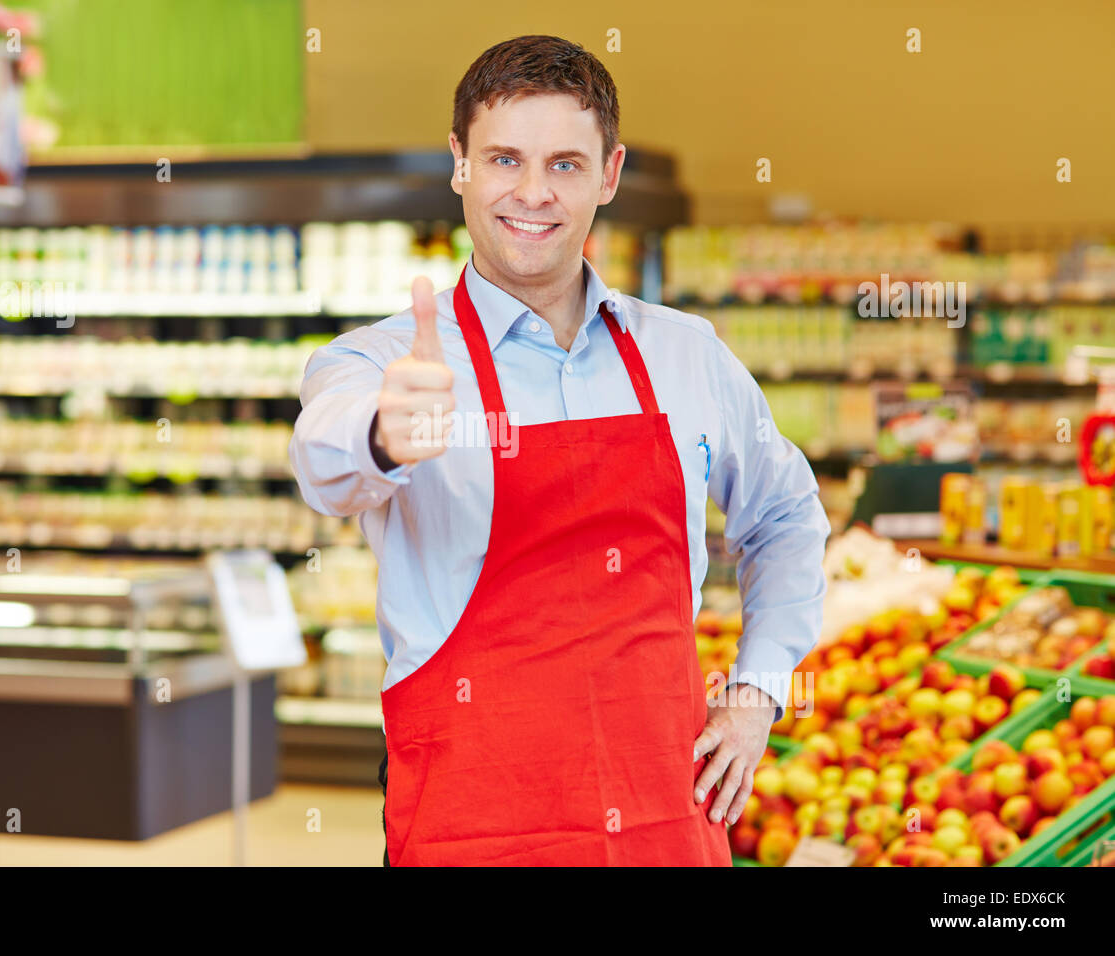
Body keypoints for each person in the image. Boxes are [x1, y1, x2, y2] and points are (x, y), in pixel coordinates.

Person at [289, 34, 831, 866]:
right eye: (504, 158)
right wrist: (383, 432)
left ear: (609, 174)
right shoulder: (389, 361)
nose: (533, 193)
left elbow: (789, 515)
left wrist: (759, 689)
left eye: (566, 165)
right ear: (459, 164)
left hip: (665, 814)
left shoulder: (686, 353)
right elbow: (323, 461)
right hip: (472, 823)